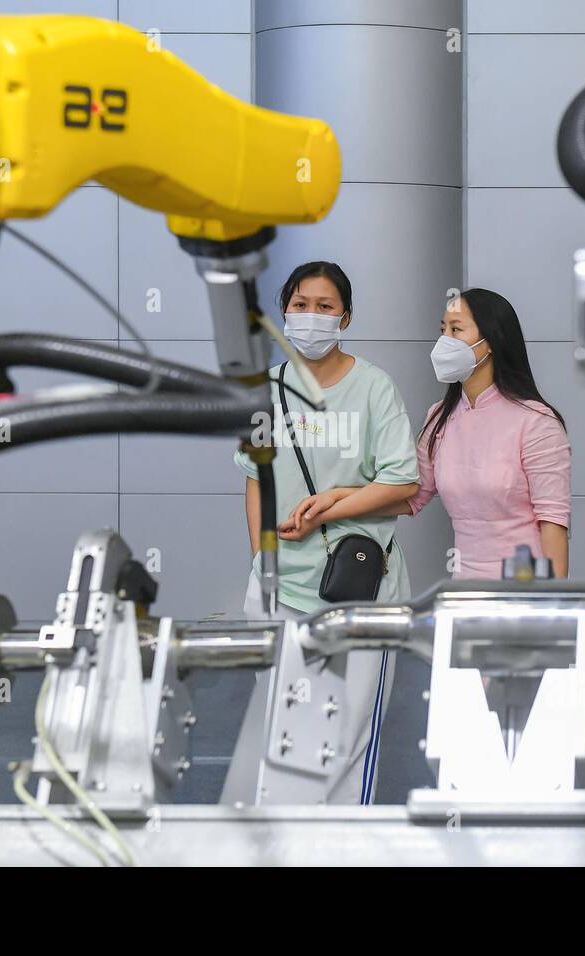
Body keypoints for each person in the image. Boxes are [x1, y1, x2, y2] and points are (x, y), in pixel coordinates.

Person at [224, 260, 420, 806]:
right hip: (280, 589)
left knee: (348, 735)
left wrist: (328, 510)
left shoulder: (374, 387)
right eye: (301, 305)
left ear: (346, 318)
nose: (311, 317)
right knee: (282, 729)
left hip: (361, 593)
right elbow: (254, 478)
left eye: (325, 307)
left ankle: (340, 845)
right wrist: (262, 562)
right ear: (284, 312)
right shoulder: (266, 389)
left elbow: (403, 481)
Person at [308, 287, 571, 578]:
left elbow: (552, 522)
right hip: (464, 587)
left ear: (492, 341)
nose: (445, 340)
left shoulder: (537, 422)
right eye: (443, 329)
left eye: (457, 329)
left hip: (526, 586)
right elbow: (410, 494)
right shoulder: (440, 416)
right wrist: (332, 501)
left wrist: (553, 603)